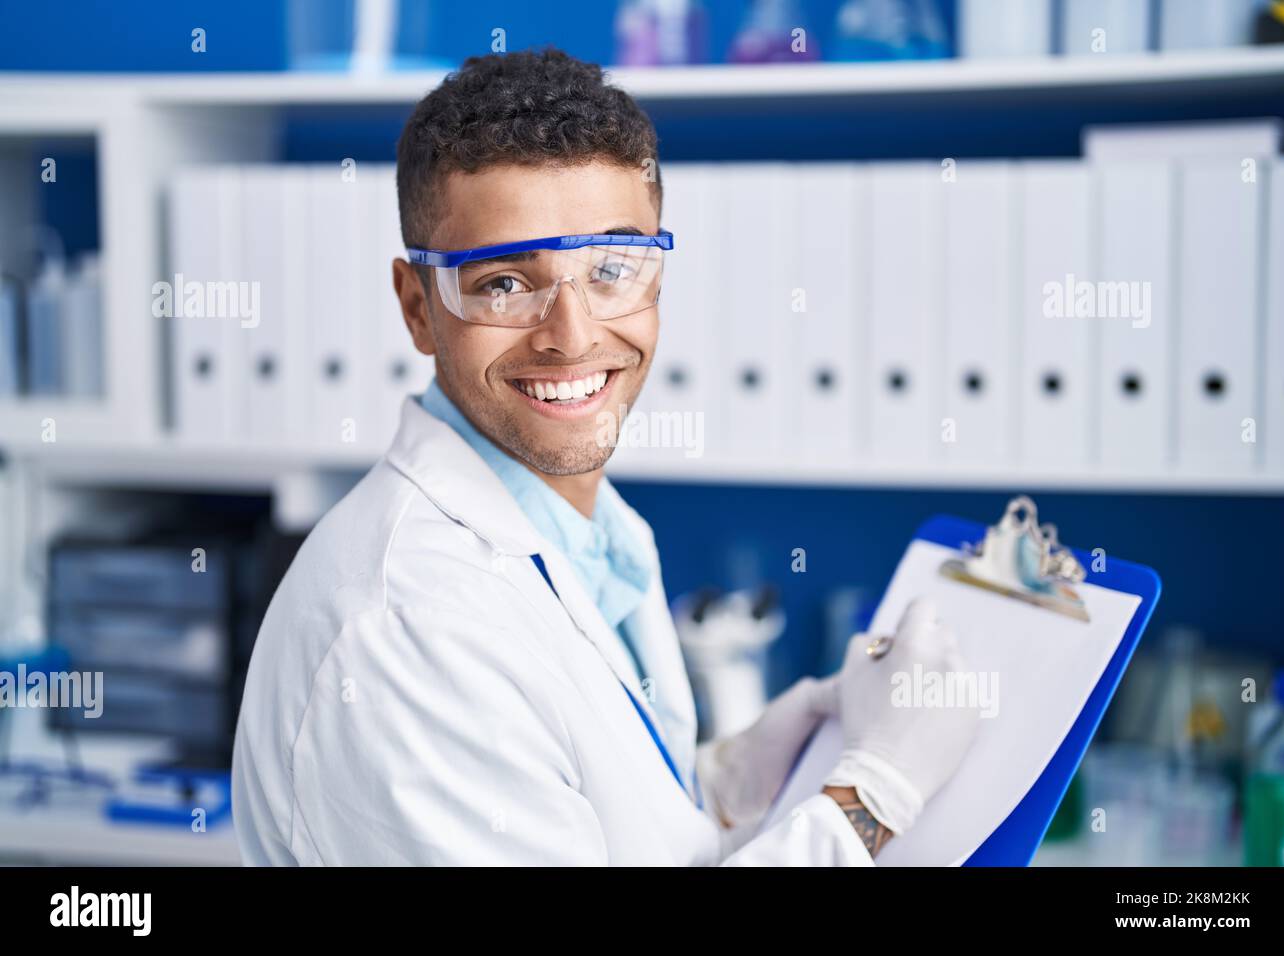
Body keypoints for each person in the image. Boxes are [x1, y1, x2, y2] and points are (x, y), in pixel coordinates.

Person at [232, 48, 978, 865]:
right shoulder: (407, 630)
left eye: (613, 269)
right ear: (418, 308)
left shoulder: (588, 537)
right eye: (504, 283)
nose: (574, 336)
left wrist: (728, 793)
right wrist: (868, 800)